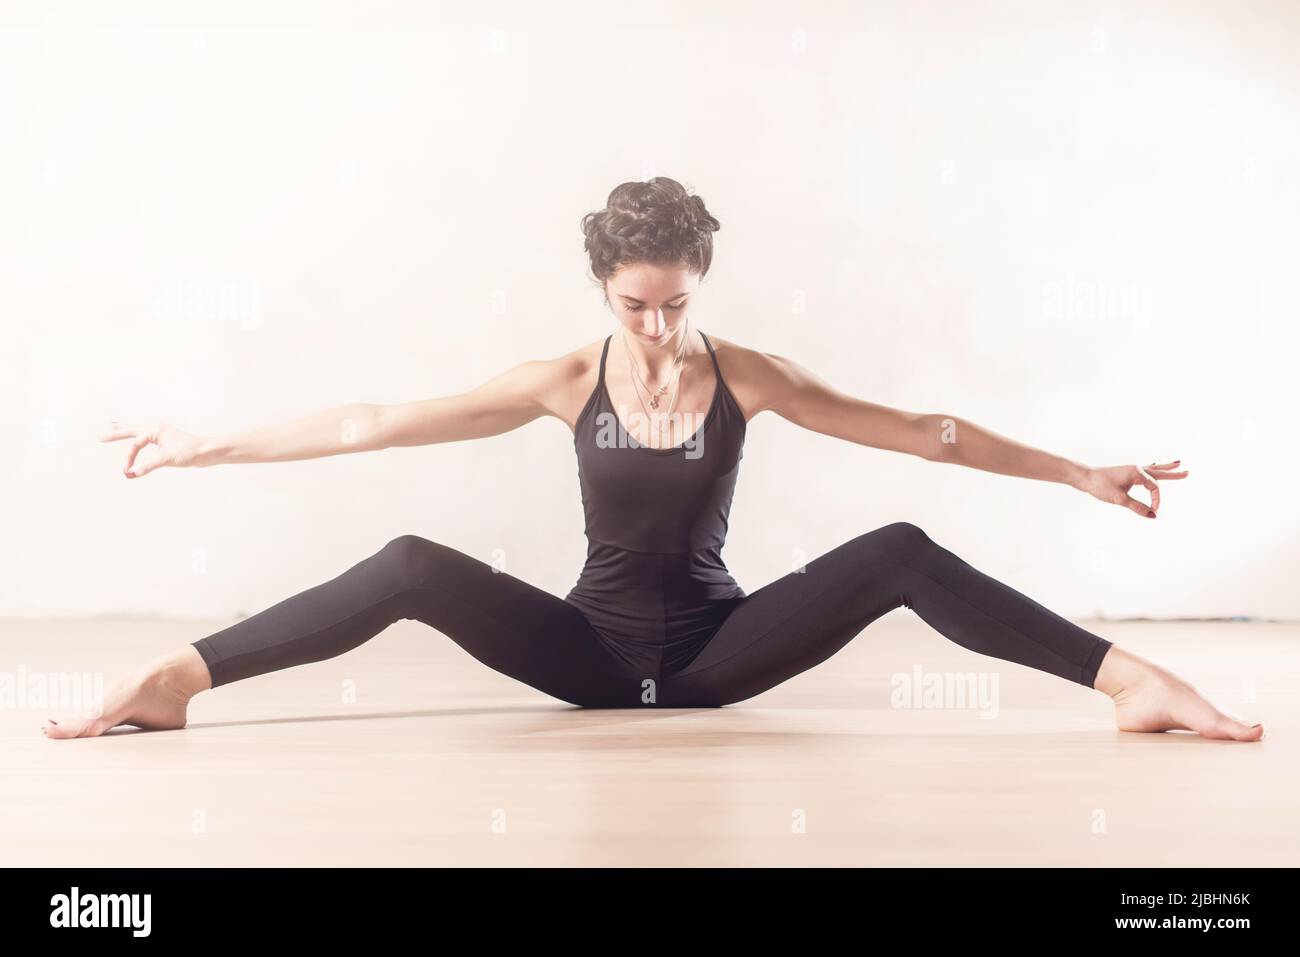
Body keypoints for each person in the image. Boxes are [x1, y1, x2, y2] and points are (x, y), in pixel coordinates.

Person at [44, 177, 1263, 742]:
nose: (659, 327)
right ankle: (176, 682)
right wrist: (204, 445)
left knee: (896, 548)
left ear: (699, 287)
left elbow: (926, 433)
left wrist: (1076, 472)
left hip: (718, 652)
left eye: (676, 303)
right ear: (604, 290)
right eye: (637, 304)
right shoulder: (564, 381)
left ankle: (1130, 685)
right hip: (590, 652)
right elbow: (372, 422)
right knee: (412, 559)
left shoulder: (751, 377)